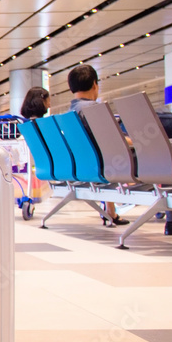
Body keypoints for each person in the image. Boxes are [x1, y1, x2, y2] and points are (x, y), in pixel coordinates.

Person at [67, 64, 128, 226]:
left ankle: (110, 211)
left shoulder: (69, 113)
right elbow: (116, 140)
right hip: (105, 166)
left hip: (83, 167)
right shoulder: (95, 109)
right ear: (95, 84)